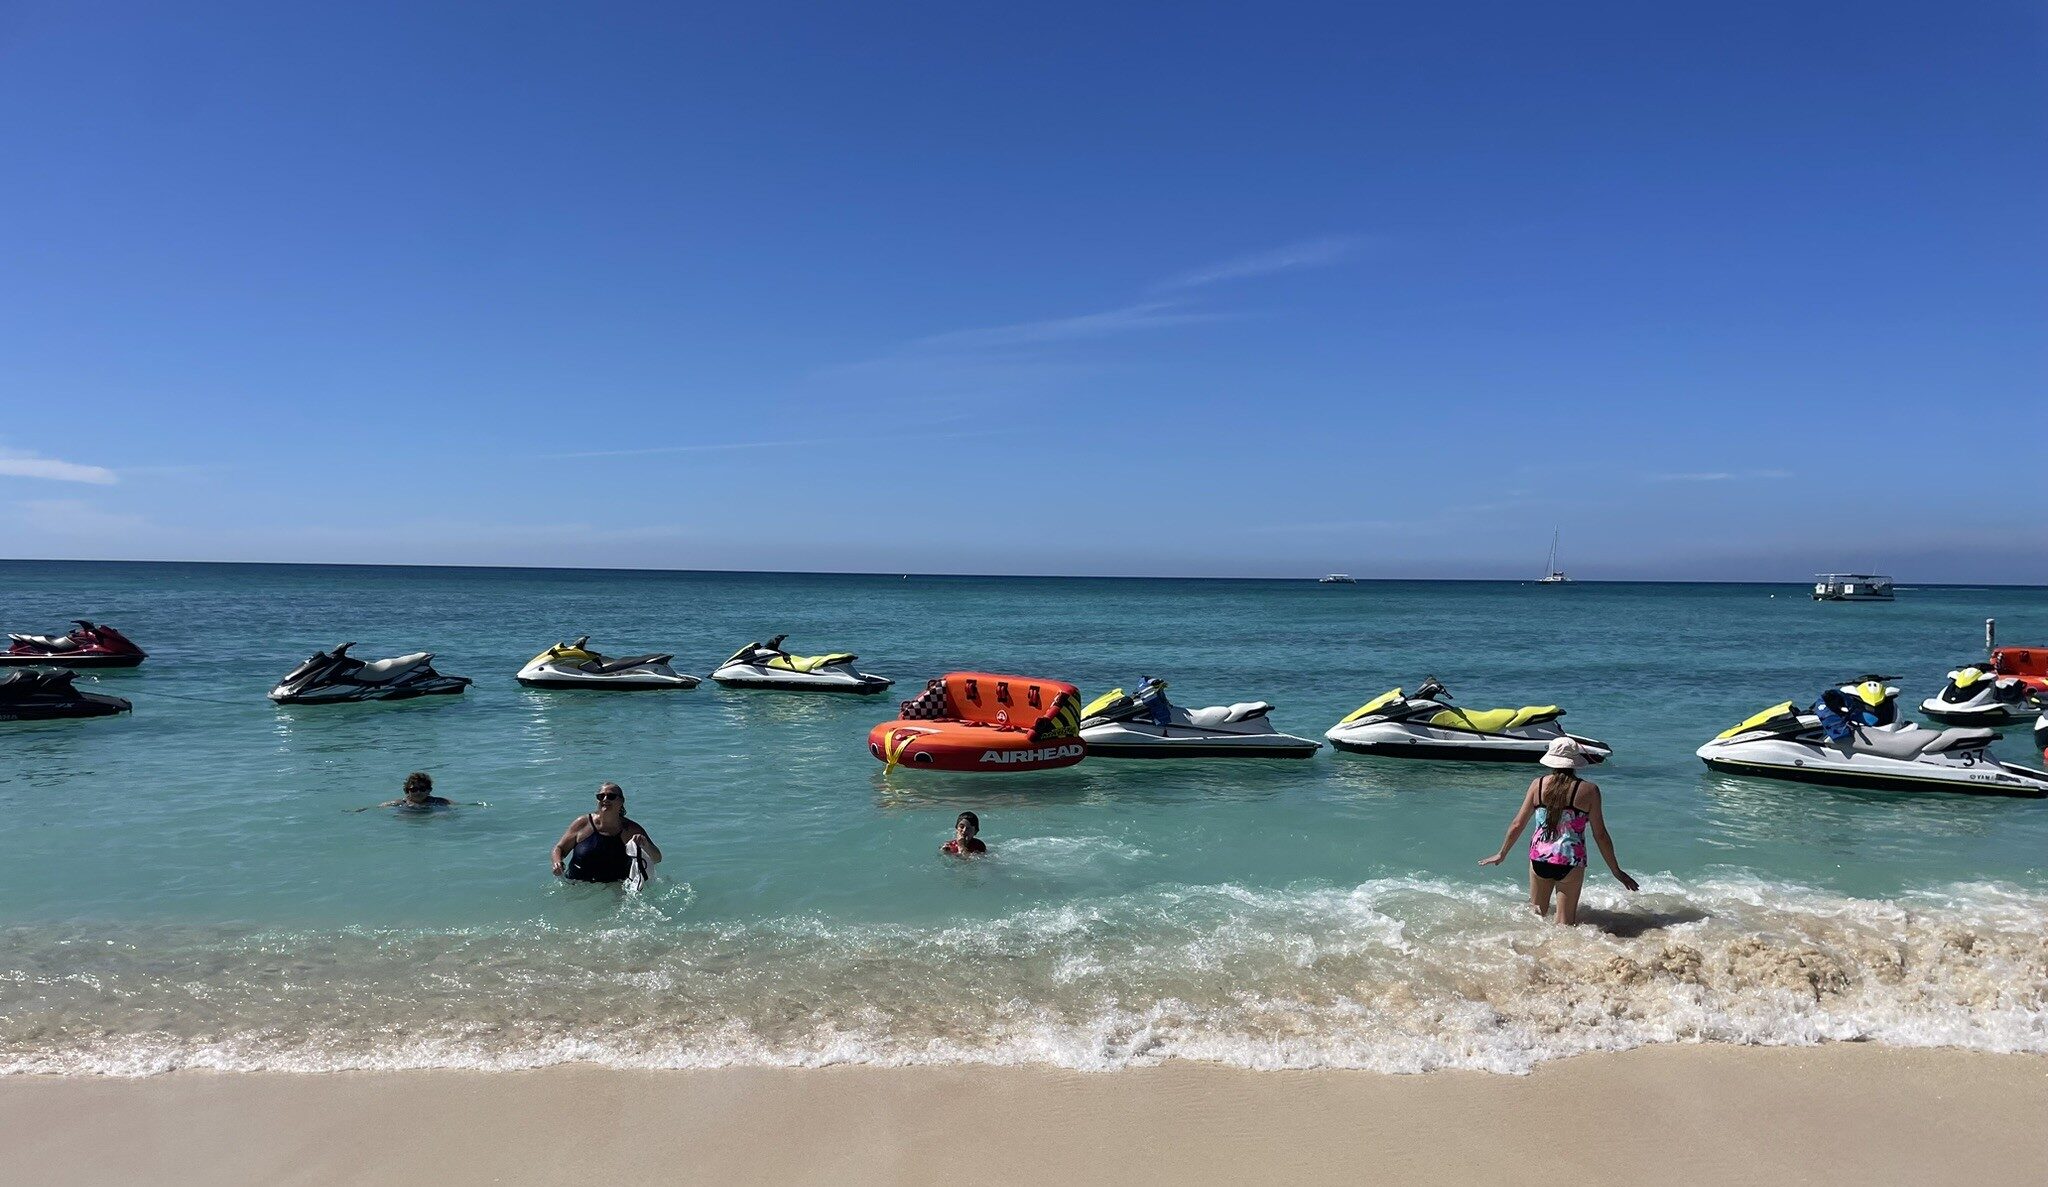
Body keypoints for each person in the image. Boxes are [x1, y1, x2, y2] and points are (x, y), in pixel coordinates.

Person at [1478, 738, 1637, 924]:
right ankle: (1562, 951)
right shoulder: (1589, 790)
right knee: (1565, 924)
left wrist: (1502, 853)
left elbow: (1517, 824)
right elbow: (1600, 835)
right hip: (1570, 860)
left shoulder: (1537, 785)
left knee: (1535, 916)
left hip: (1539, 859)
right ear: (1574, 762)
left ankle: (1530, 950)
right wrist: (1615, 870)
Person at [551, 782, 661, 882]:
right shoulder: (582, 823)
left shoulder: (630, 829)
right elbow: (559, 849)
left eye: (611, 796)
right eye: (601, 796)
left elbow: (657, 858)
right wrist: (557, 862)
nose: (605, 799)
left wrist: (645, 845)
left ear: (621, 801)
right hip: (577, 885)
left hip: (615, 889)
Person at [379, 771, 453, 811]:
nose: (418, 792)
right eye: (414, 789)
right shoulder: (401, 803)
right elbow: (379, 807)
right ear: (407, 791)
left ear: (429, 790)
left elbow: (460, 806)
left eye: (422, 789)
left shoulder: (437, 801)